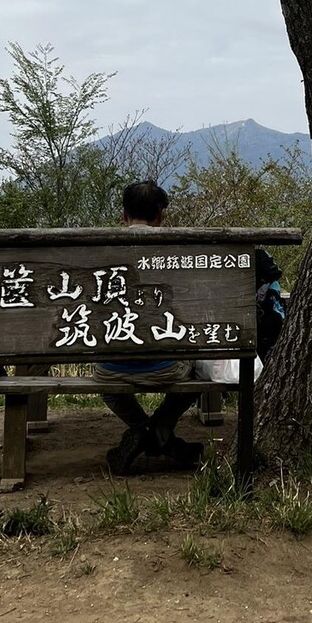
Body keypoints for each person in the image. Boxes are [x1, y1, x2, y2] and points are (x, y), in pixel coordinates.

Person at [94, 181, 204, 475]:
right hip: (165, 368)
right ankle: (160, 430)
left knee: (109, 387)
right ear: (160, 216)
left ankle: (143, 431)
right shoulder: (176, 252)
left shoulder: (98, 251)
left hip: (111, 369)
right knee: (199, 370)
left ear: (123, 214)